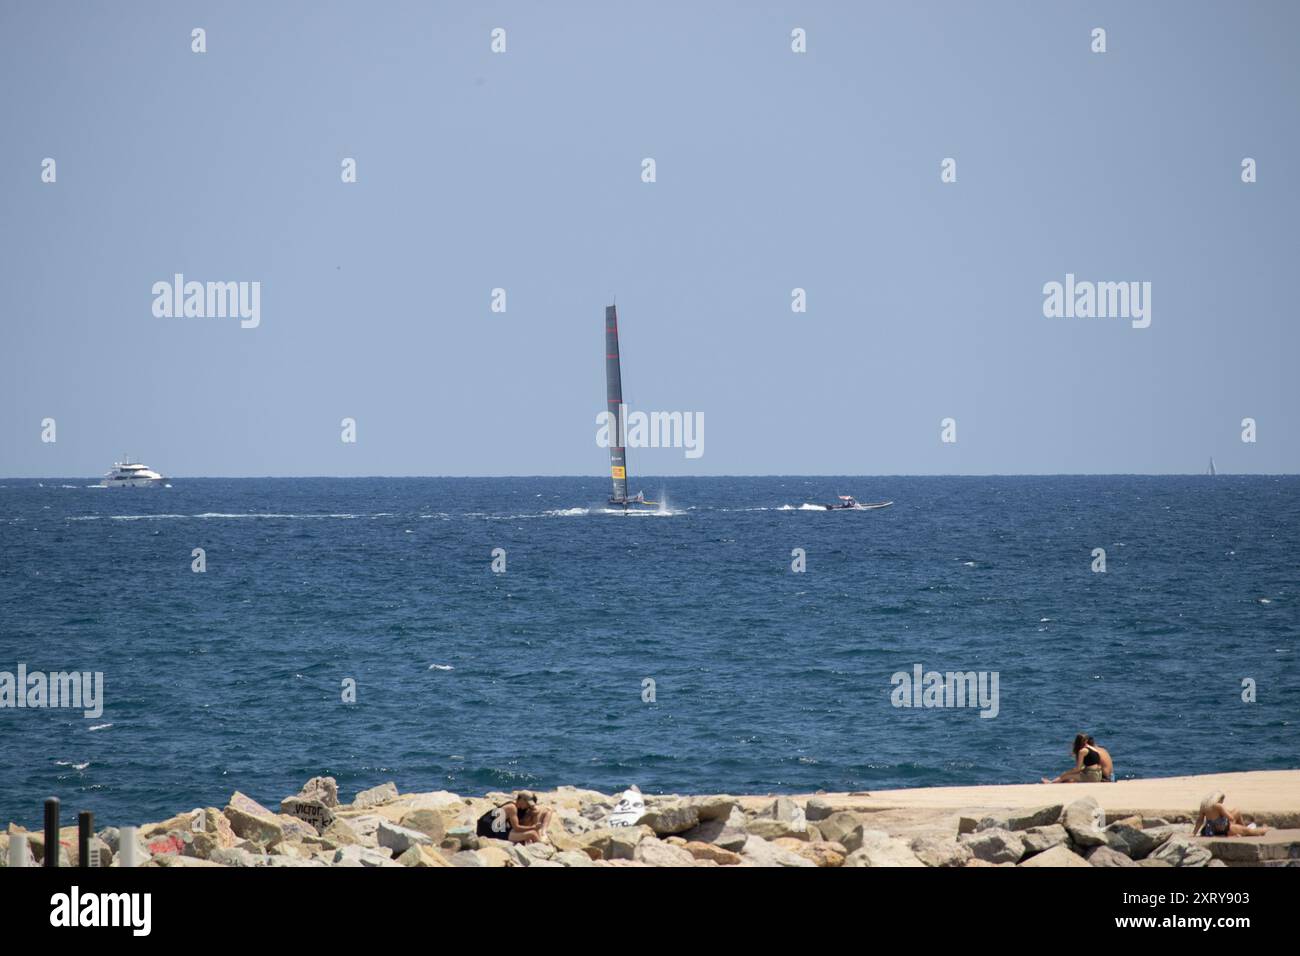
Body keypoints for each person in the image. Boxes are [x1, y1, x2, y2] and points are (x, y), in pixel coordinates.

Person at [1192, 792, 1270, 838]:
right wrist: (1225, 812)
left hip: (1209, 830)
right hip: (1224, 830)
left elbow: (1200, 821)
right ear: (1218, 799)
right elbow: (1231, 818)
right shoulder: (1219, 806)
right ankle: (1263, 829)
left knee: (1237, 810)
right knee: (1250, 831)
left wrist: (1194, 833)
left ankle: (1243, 828)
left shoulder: (1204, 806)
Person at [1042, 733, 1107, 783]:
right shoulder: (1093, 748)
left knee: (1065, 776)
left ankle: (1051, 783)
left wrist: (1067, 772)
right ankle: (1053, 782)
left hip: (1091, 776)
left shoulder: (1083, 751)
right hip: (1098, 774)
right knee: (1072, 776)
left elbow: (1078, 768)